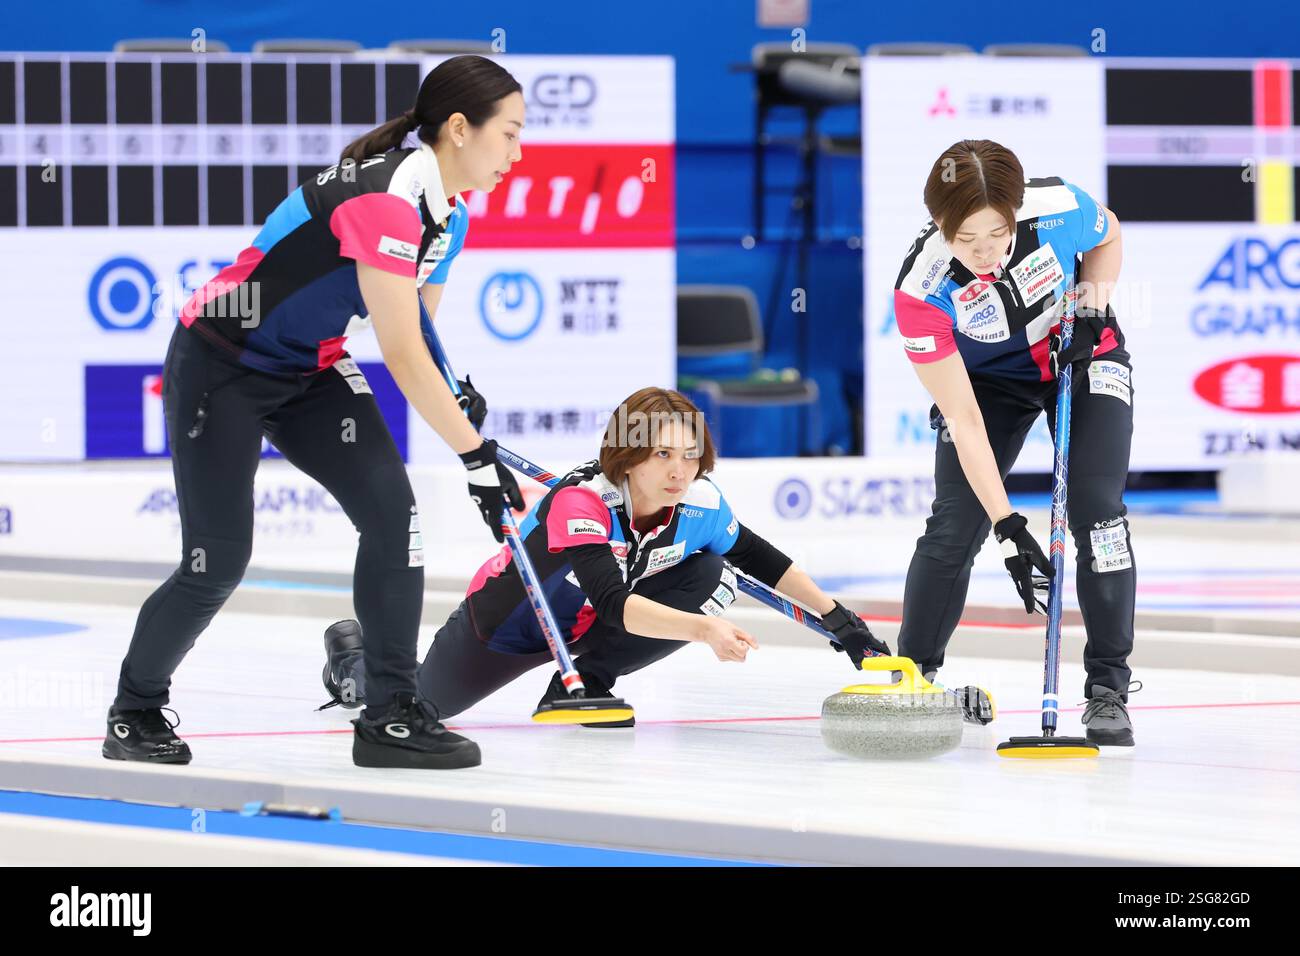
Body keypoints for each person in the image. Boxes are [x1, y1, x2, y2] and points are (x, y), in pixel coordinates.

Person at [104, 55, 528, 770]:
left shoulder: (448, 217)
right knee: (217, 561)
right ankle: (134, 710)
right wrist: (475, 457)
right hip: (221, 365)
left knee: (396, 519)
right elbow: (399, 353)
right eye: (511, 134)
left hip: (311, 366)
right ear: (459, 129)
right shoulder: (387, 202)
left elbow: (421, 334)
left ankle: (392, 714)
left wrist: (457, 392)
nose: (519, 153)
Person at [318, 388, 893, 731]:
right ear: (627, 454)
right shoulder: (581, 503)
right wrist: (704, 629)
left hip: (586, 634)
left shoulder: (699, 502)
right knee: (415, 704)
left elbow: (761, 559)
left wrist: (840, 622)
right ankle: (352, 662)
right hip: (501, 630)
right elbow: (615, 603)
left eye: (691, 456)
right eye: (662, 454)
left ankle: (587, 679)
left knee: (712, 572)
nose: (679, 471)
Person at [892, 138, 1139, 746]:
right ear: (938, 227)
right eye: (965, 240)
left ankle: (1108, 686)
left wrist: (1089, 308)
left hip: (1081, 357)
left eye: (998, 235)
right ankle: (912, 680)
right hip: (988, 386)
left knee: (1097, 513)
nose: (985, 253)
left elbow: (1108, 236)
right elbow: (966, 420)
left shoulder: (1058, 207)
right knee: (956, 523)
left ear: (1017, 211)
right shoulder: (921, 293)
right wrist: (1008, 526)